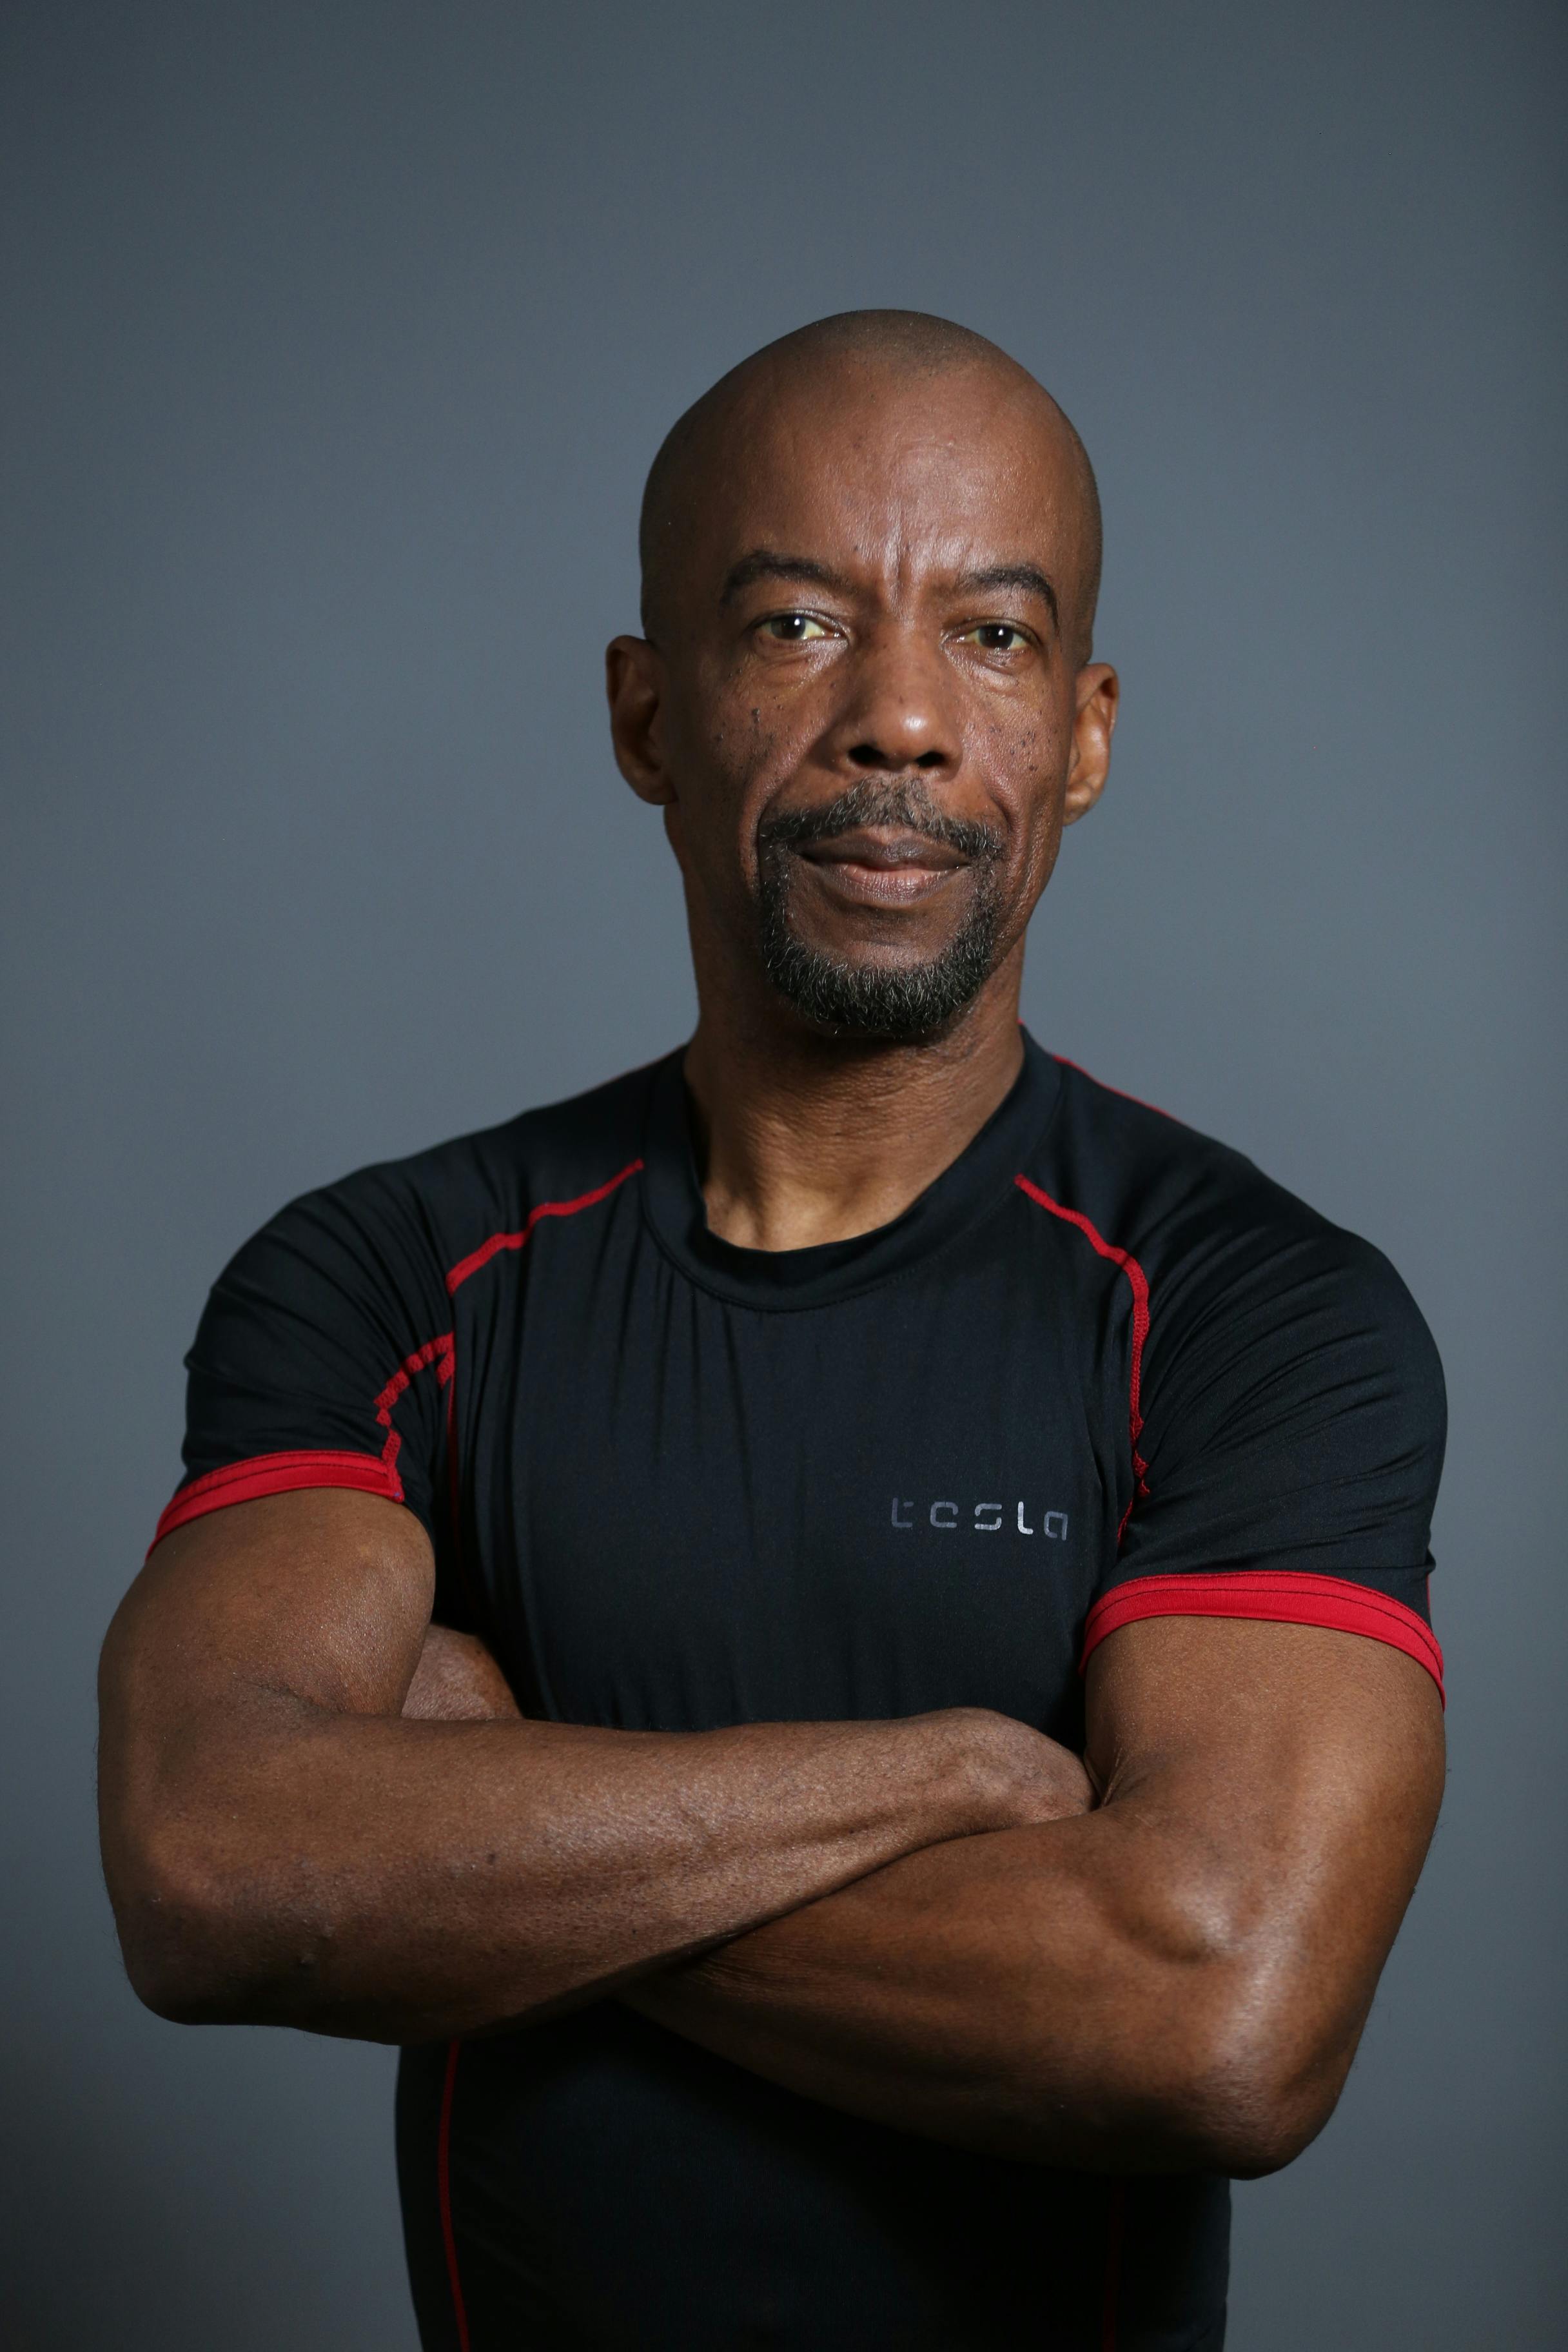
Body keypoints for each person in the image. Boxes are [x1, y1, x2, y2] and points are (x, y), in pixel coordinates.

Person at [97, 310, 1447, 2352]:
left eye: (990, 638)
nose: (899, 722)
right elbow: (208, 1860)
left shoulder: (1255, 1312)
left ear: (1085, 730)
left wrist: (494, 1811)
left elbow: (1217, 2021)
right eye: (800, 624)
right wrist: (944, 1784)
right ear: (649, 717)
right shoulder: (393, 1281)